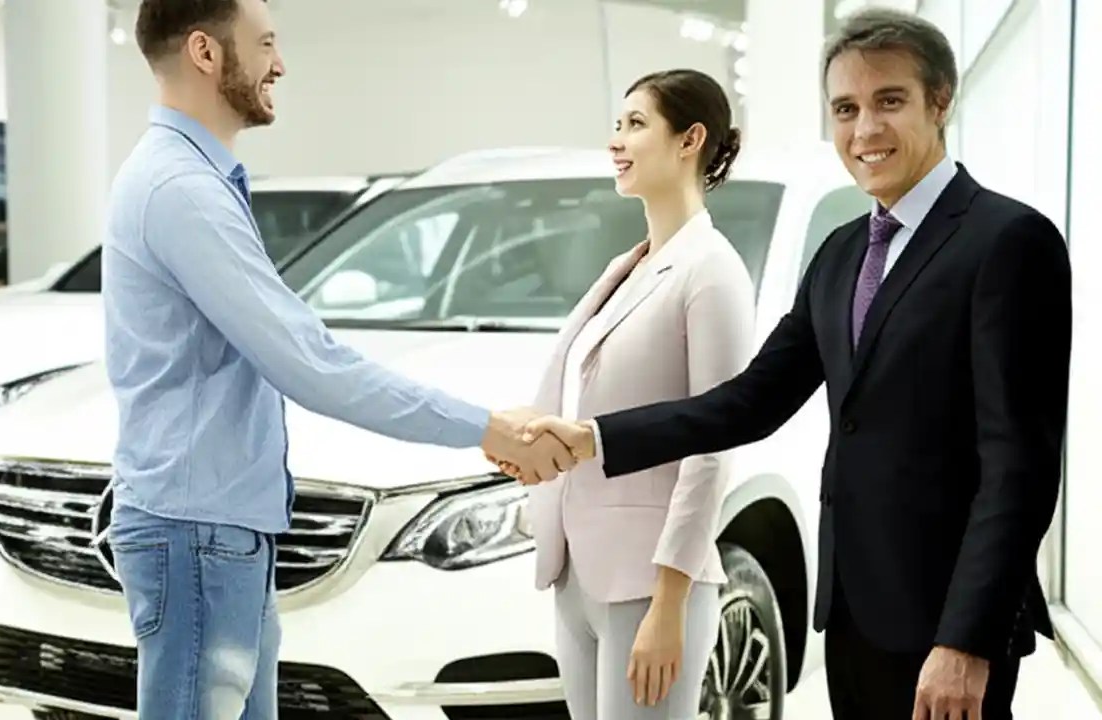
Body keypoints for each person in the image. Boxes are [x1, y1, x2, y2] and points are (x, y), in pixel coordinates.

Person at [514, 8, 1072, 720]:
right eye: (846, 108)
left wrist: (968, 640)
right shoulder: (841, 252)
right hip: (853, 608)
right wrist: (598, 438)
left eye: (889, 101)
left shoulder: (1009, 241)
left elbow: (1019, 468)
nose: (864, 130)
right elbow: (749, 400)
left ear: (941, 102)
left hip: (948, 620)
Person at [100, 1, 574, 718]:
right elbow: (308, 361)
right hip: (199, 537)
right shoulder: (182, 191)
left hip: (210, 529)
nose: (279, 65)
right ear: (204, 51)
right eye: (264, 45)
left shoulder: (181, 178)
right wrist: (488, 429)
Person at [492, 69, 753, 720]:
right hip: (580, 574)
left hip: (651, 581)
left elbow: (713, 445)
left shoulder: (712, 270)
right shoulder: (629, 266)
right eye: (618, 123)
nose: (617, 140)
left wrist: (671, 603)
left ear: (690, 139)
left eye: (636, 124)